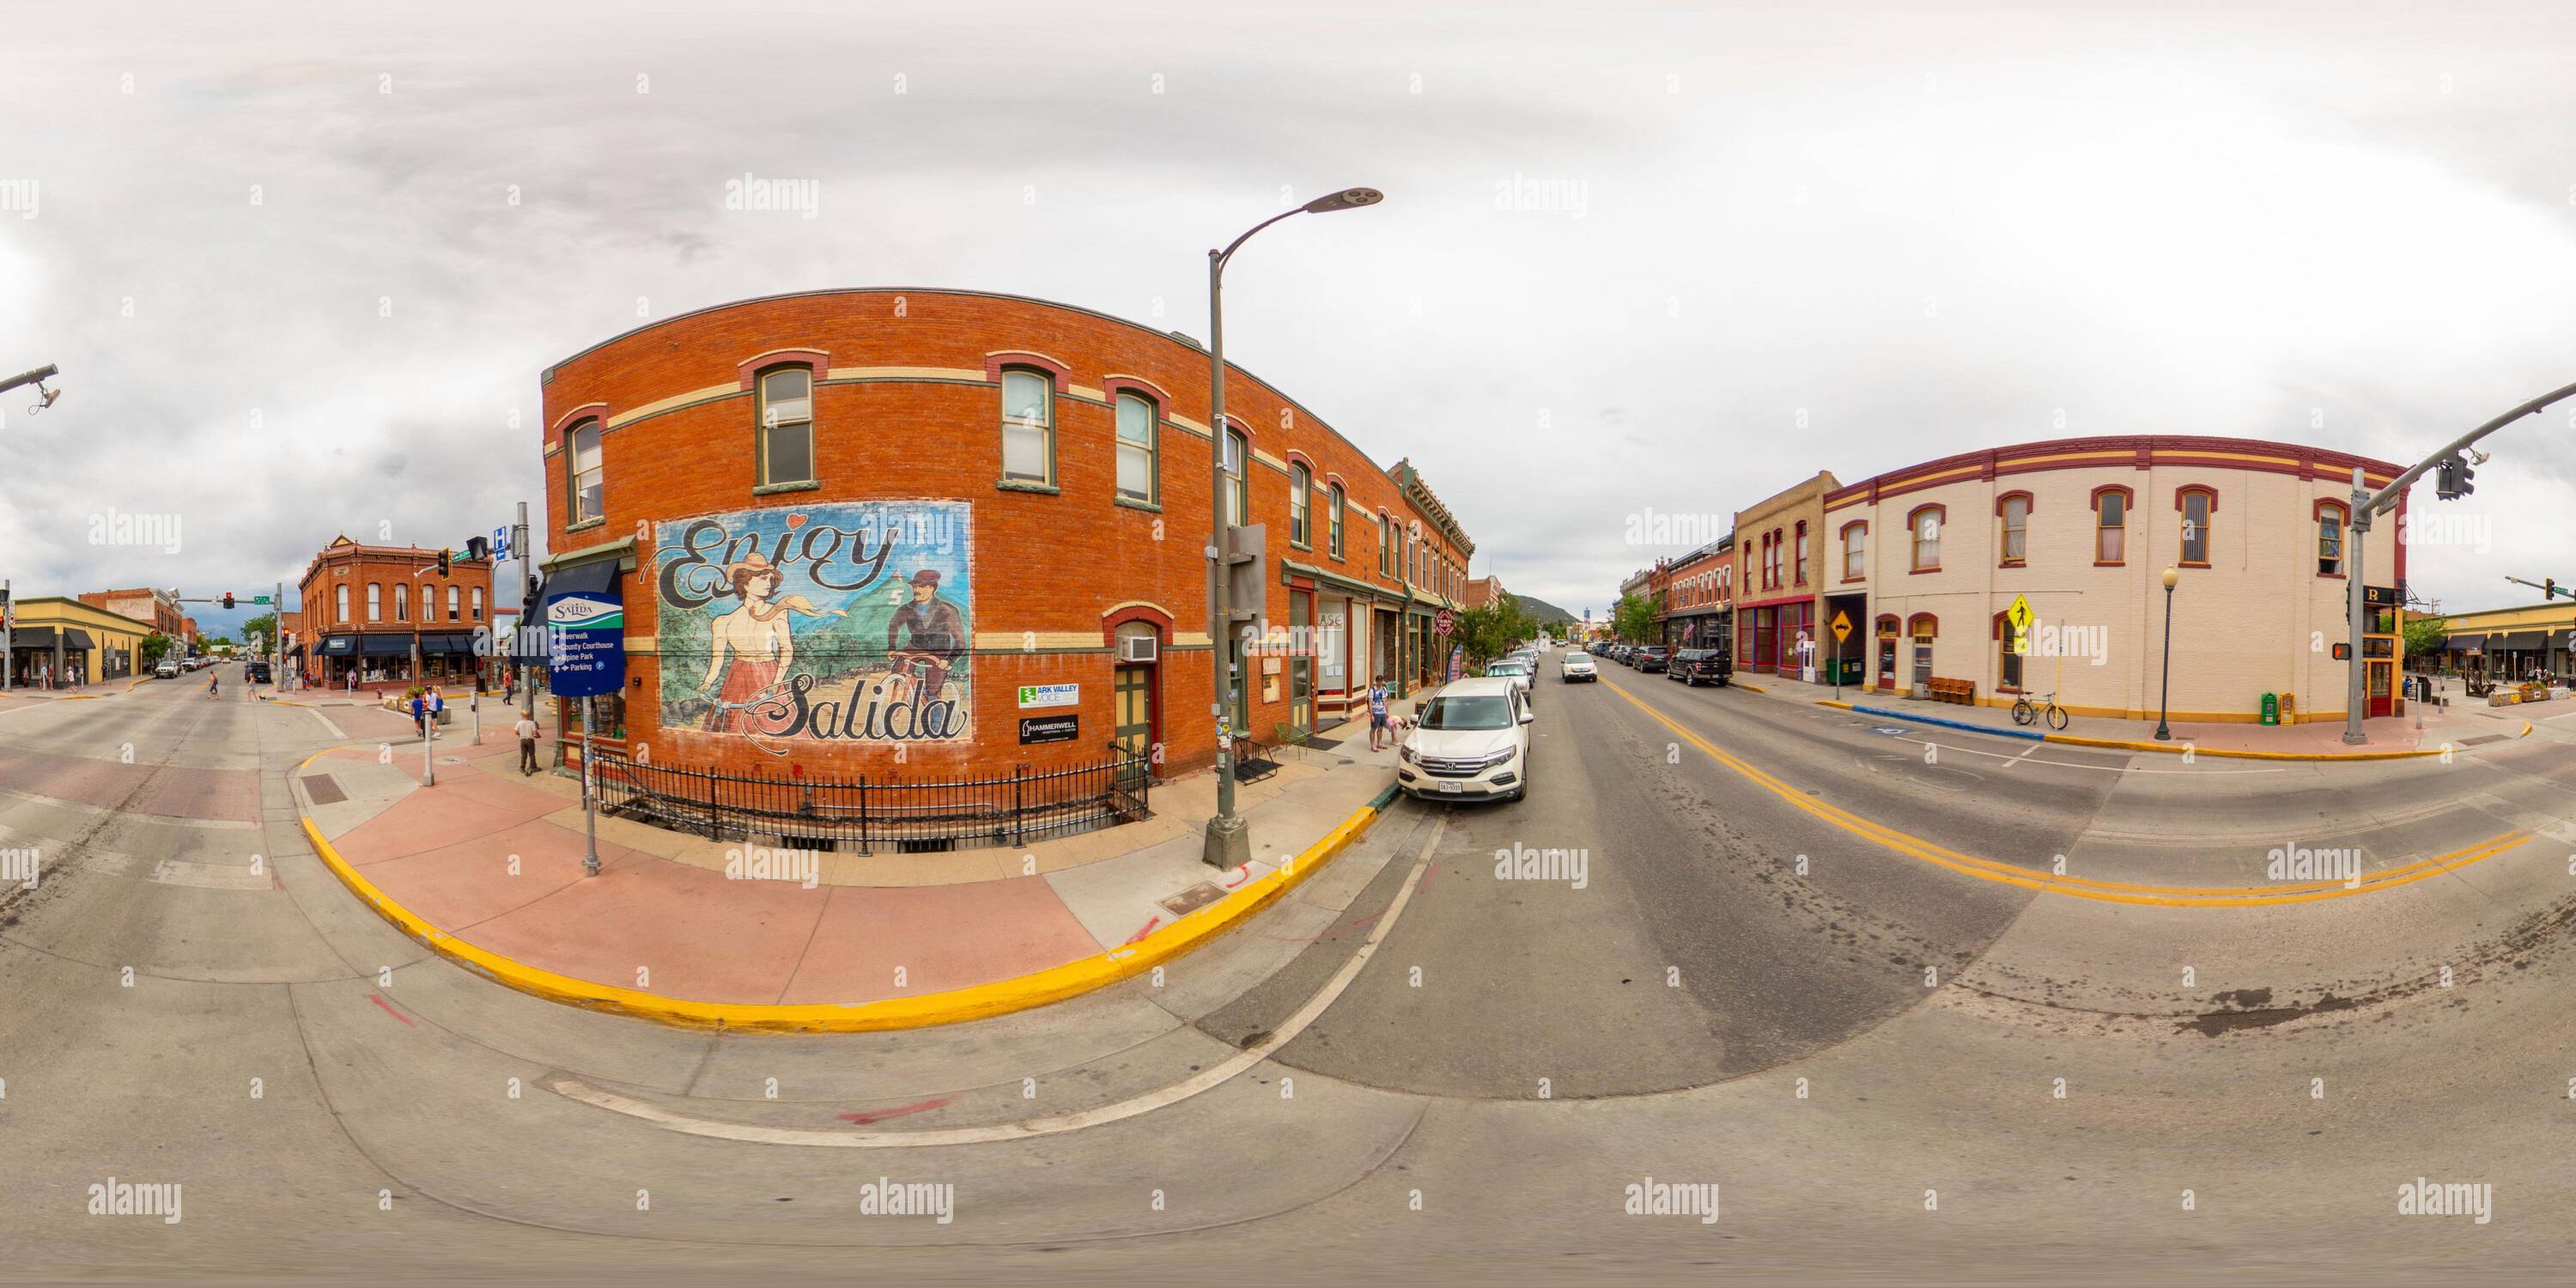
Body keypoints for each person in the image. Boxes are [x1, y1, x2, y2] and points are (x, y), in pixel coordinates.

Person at [1367, 676, 1391, 750]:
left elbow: (1386, 701)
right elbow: (1370, 703)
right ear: (1376, 681)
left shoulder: (1384, 689)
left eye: (1381, 681)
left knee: (1381, 729)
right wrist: (1371, 715)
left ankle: (1379, 743)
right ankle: (1372, 746)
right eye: (1379, 681)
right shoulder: (1372, 690)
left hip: (1382, 712)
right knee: (1373, 729)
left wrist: (1387, 712)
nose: (1380, 682)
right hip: (1375, 713)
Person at [515, 711, 541, 775]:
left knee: (523, 754)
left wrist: (519, 734)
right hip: (530, 740)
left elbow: (516, 732)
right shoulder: (532, 723)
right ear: (529, 716)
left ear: (522, 716)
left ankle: (522, 767)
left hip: (522, 740)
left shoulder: (519, 723)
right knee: (532, 754)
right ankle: (533, 767)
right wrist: (538, 735)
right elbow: (535, 732)